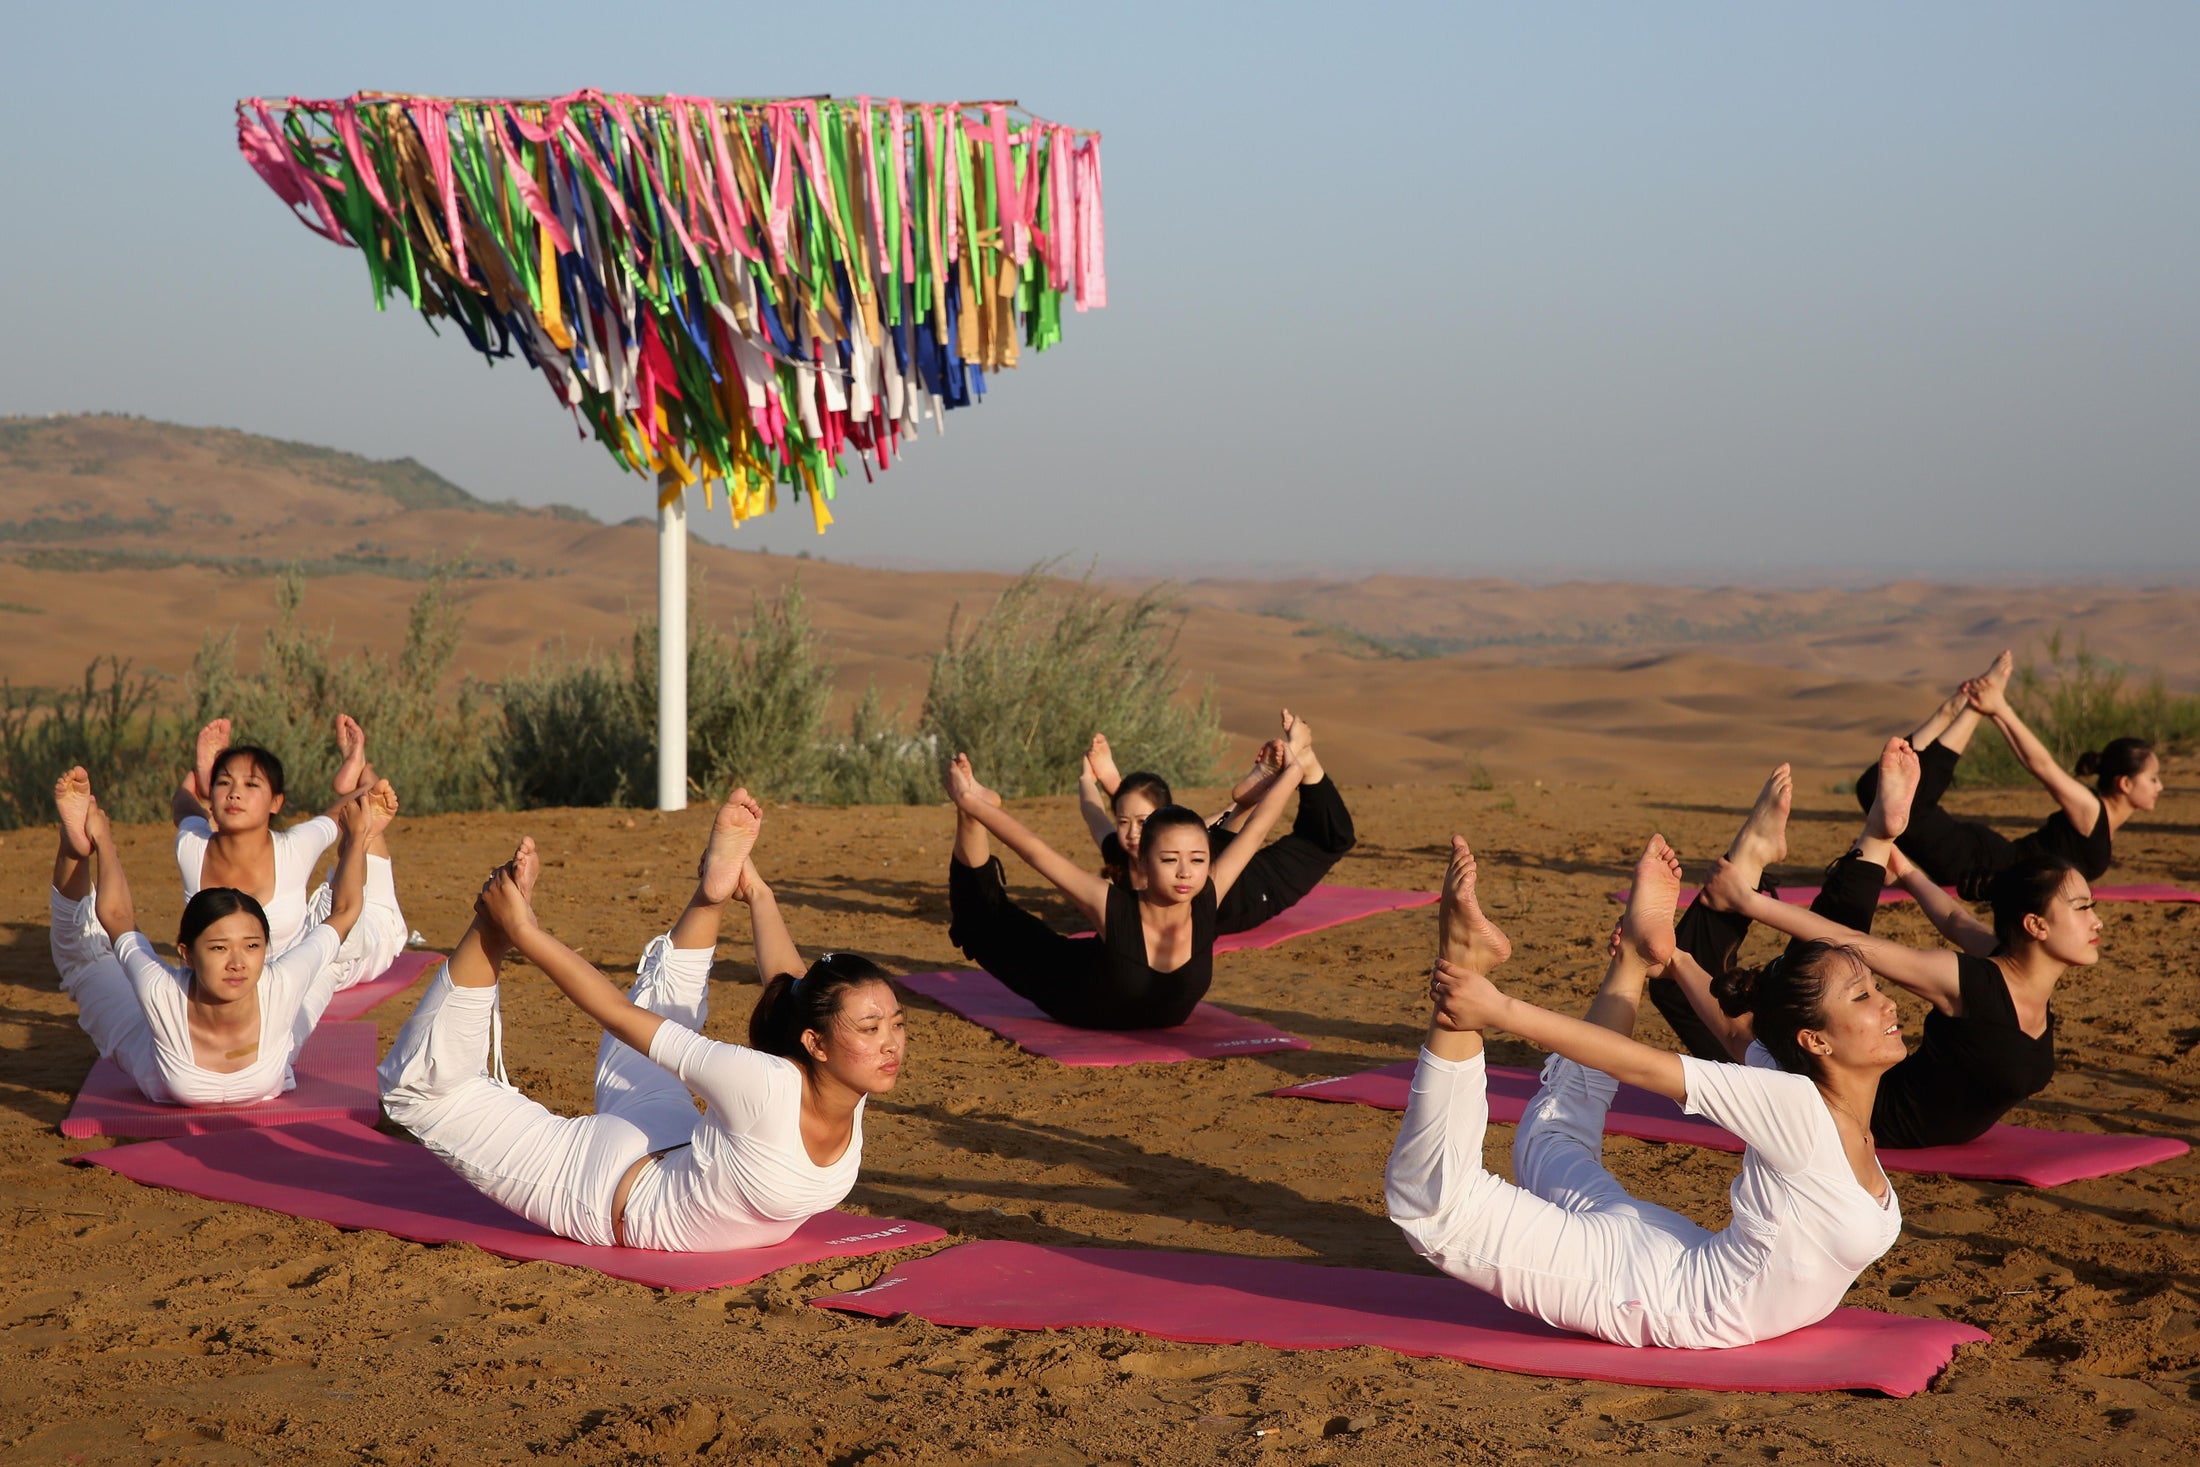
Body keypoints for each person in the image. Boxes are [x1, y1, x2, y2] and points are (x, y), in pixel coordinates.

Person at [1384, 835, 1905, 1350]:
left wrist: (1669, 955)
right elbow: (1642, 1066)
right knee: (1434, 1211)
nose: (1888, 1005)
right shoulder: (1798, 1109)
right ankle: (1461, 959)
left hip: (1665, 1253)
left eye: (1875, 988)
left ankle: (1631, 958)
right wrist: (1497, 1011)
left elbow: (1736, 1034)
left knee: (1553, 1141)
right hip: (1658, 1297)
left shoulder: (1818, 1100)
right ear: (1815, 1041)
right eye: (1863, 995)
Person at [379, 790, 906, 1252]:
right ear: (815, 1044)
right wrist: (521, 931)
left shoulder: (847, 1076)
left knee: (662, 1022)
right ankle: (491, 927)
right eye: (871, 1027)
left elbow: (792, 989)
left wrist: (759, 895)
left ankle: (711, 895)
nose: (891, 1044)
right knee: (423, 1093)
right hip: (598, 1184)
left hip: (672, 1135)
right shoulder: (764, 1084)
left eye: (897, 1024)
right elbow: (614, 1012)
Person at [1693, 742, 2100, 1149]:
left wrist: (1904, 868)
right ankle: (1744, 876)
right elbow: (1852, 940)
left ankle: (1874, 838)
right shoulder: (1972, 982)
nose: (2096, 920)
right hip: (1871, 1115)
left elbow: (1956, 920)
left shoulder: (2009, 963)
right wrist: (1748, 901)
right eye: (2083, 908)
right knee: (1692, 990)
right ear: (2035, 925)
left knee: (1832, 964)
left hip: (1905, 1115)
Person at [49, 766, 398, 1106]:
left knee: (338, 954)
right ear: (186, 954)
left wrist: (357, 841)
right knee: (86, 956)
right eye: (218, 947)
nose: (237, 963)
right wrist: (101, 841)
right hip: (149, 1050)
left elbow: (345, 912)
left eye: (251, 946)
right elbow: (116, 917)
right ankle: (72, 850)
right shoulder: (161, 992)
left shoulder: (282, 984)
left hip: (272, 1023)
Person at [944, 745, 1303, 1029]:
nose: (1185, 873)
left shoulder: (1209, 893)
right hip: (1064, 982)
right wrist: (968, 803)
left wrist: (1294, 768)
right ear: (1143, 863)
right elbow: (1035, 852)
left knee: (986, 917)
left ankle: (972, 810)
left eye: (1197, 860)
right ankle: (971, 816)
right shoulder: (1111, 905)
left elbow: (1256, 829)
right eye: (1169, 860)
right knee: (982, 919)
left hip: (1116, 983)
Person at [1852, 652, 2161, 898]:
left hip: (1985, 860)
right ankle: (1967, 711)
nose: (2160, 786)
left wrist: (1998, 711)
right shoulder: (2091, 810)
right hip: (1983, 864)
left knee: (1874, 789)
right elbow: (2040, 765)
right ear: (2125, 783)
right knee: (1891, 801)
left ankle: (1953, 712)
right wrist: (1996, 708)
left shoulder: (2099, 822)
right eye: (2153, 778)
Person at [169, 715, 407, 990]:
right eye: (223, 783)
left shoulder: (294, 848)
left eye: (251, 784)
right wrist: (200, 772)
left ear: (276, 802)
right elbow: (184, 807)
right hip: (263, 966)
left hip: (327, 958)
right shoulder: (192, 848)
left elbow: (339, 814)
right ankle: (358, 785)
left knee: (365, 823)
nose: (234, 793)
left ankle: (362, 777)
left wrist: (363, 802)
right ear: (210, 796)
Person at [1076, 708, 1355, 935]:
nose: (1132, 834)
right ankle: (1271, 781)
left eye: (1142, 822)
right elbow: (1095, 815)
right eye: (1123, 822)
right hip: (1236, 877)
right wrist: (1089, 779)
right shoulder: (1132, 853)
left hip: (1257, 889)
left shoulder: (1185, 860)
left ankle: (1301, 763)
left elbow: (1256, 827)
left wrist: (1289, 771)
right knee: (1215, 832)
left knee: (1334, 839)